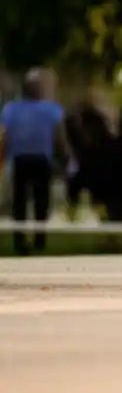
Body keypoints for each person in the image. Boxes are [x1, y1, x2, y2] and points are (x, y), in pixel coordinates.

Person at [0, 69, 71, 254]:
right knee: (23, 201)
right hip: (26, 158)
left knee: (37, 201)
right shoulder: (14, 109)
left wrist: (63, 152)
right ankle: (22, 240)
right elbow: (5, 137)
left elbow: (58, 136)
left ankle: (37, 239)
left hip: (36, 159)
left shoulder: (46, 109)